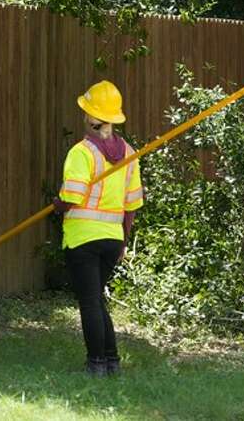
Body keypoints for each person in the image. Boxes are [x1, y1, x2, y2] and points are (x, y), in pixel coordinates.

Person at [56, 80, 145, 375]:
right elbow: (131, 205)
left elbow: (72, 195)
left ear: (94, 118)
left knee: (89, 302)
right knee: (96, 299)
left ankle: (96, 364)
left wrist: (58, 205)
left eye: (87, 111)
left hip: (83, 238)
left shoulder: (81, 152)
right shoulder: (130, 154)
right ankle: (112, 362)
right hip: (112, 239)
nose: (84, 116)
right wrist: (123, 242)